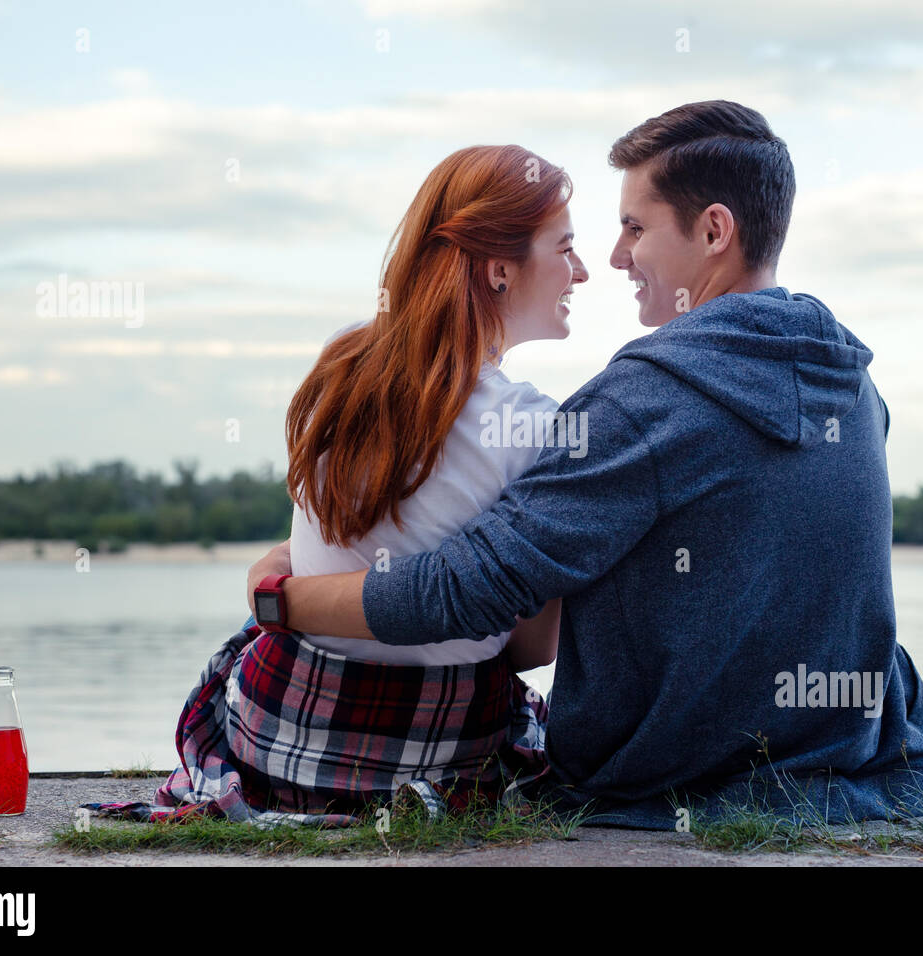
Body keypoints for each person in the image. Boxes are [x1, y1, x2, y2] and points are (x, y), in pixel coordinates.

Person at [245, 100, 923, 829]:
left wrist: (280, 599)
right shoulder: (856, 384)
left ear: (714, 231)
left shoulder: (643, 401)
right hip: (854, 753)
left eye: (635, 228)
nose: (614, 258)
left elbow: (466, 588)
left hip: (669, 775)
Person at [85, 144, 589, 827]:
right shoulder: (533, 426)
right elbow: (534, 649)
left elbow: (329, 538)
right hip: (438, 749)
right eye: (564, 248)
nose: (581, 272)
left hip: (278, 733)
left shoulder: (347, 360)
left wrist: (279, 593)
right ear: (500, 269)